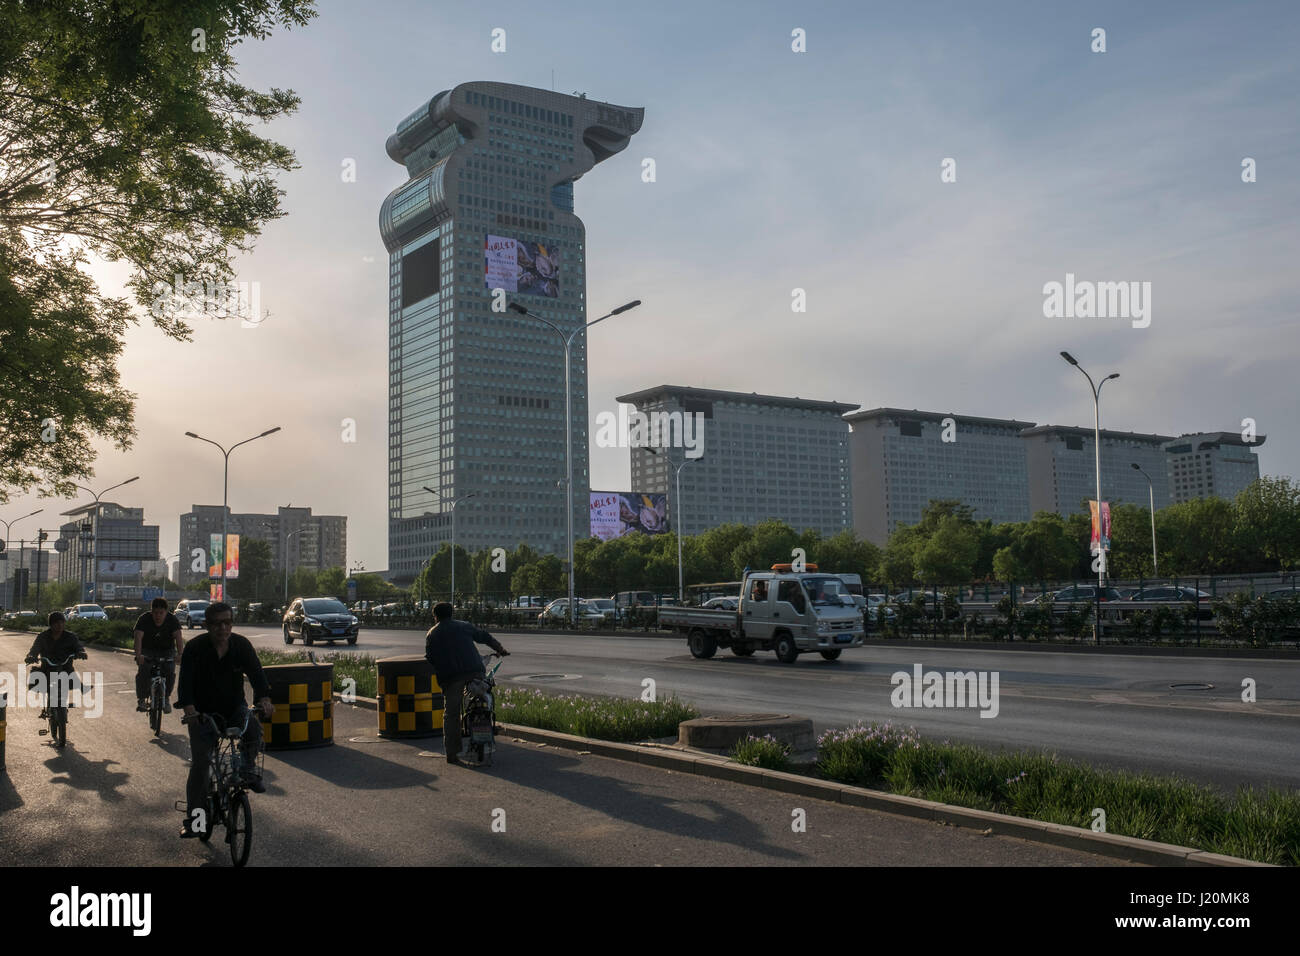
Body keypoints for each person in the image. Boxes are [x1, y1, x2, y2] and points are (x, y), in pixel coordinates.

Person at [175, 601, 274, 838]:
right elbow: (185, 685)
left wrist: (265, 699)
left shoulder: (241, 645)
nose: (223, 628)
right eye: (217, 624)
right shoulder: (195, 648)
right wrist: (190, 712)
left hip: (234, 708)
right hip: (202, 714)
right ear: (207, 626)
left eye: (227, 622)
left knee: (253, 732)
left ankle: (248, 771)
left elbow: (257, 676)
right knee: (201, 764)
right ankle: (196, 821)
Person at [423, 602, 508, 766]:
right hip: (475, 671)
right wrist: (500, 649)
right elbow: (484, 637)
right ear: (451, 613)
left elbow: (430, 658)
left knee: (452, 714)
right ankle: (489, 723)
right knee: (485, 695)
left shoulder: (432, 634)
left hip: (451, 677)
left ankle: (452, 754)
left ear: (435, 616)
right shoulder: (464, 626)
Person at [24, 612, 88, 719]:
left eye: (62, 622)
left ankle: (76, 692)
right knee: (39, 681)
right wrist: (31, 656)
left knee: (72, 678)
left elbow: (78, 647)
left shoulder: (71, 637)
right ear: (51, 624)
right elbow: (34, 649)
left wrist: (81, 652)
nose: (60, 625)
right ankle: (47, 706)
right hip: (47, 668)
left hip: (65, 668)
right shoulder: (42, 637)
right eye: (56, 623)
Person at [134, 597, 184, 713]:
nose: (158, 616)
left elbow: (178, 638)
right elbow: (138, 637)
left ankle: (166, 698)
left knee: (170, 670)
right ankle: (142, 699)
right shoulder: (144, 619)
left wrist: (180, 654)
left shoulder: (172, 620)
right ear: (151, 611)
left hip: (167, 650)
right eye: (155, 613)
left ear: (166, 612)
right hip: (147, 650)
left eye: (161, 613)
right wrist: (138, 655)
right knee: (144, 670)